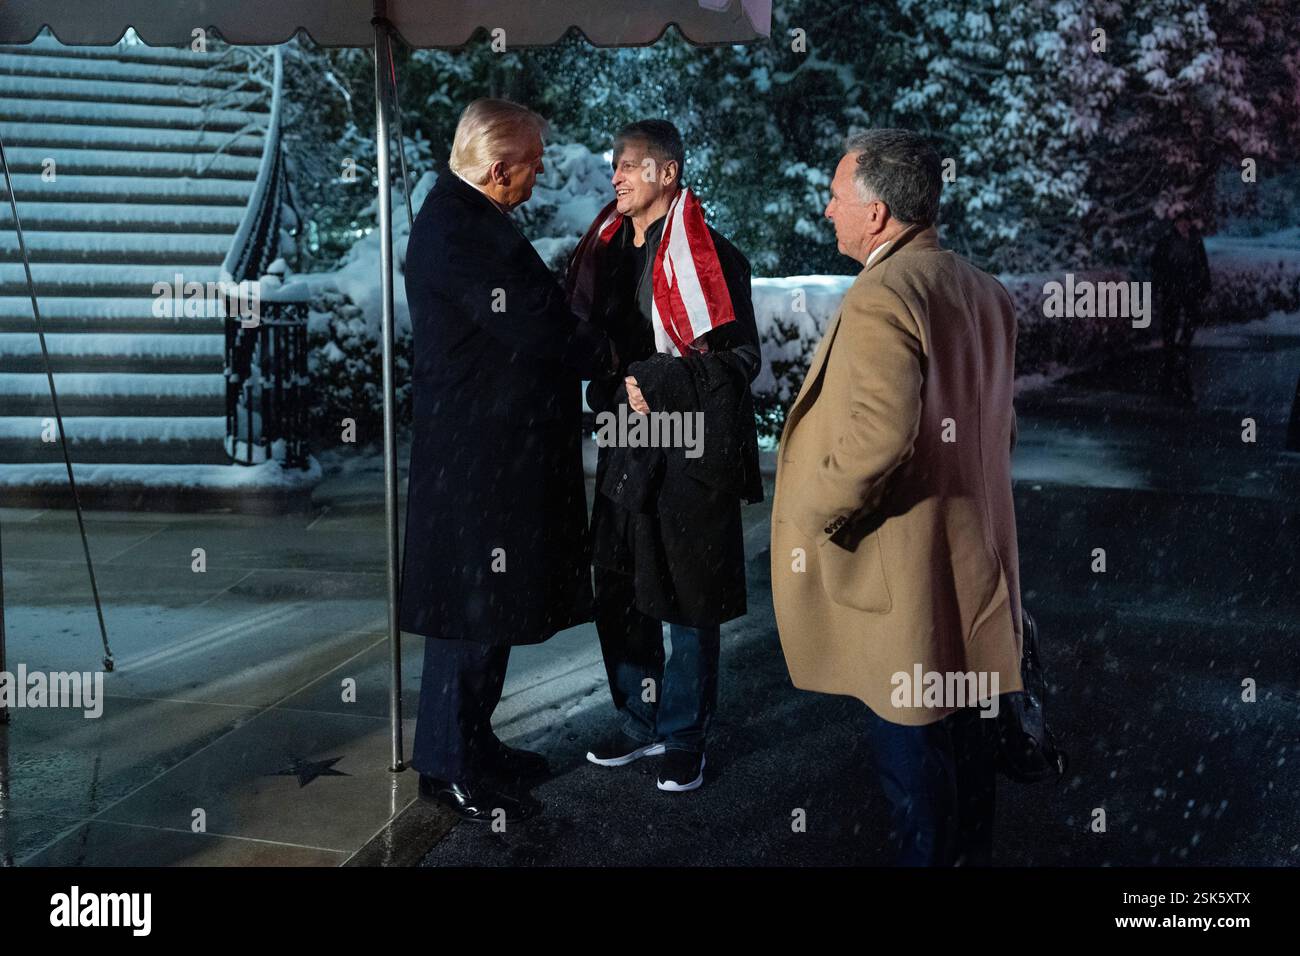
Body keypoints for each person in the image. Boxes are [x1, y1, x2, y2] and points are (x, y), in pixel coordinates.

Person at [770, 129, 1024, 865]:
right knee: (968, 758)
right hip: (974, 563)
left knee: (914, 772)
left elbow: (880, 438)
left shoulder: (884, 293)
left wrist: (815, 513)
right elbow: (998, 428)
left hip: (904, 574)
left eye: (836, 197)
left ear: (877, 214)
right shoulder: (982, 289)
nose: (827, 211)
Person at [399, 99, 617, 823]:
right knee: (471, 612)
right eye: (532, 163)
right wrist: (617, 356)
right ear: (498, 170)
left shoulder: (465, 218)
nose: (541, 172)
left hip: (485, 451)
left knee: (485, 609)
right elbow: (536, 325)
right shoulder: (461, 232)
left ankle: (471, 743)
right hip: (478, 459)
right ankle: (450, 765)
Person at [568, 120, 763, 793]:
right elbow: (598, 348)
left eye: (628, 165)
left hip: (686, 450)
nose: (616, 176)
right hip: (627, 447)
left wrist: (661, 381)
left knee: (685, 596)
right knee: (620, 588)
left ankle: (683, 733)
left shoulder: (713, 259)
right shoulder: (608, 256)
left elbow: (741, 360)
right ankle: (638, 721)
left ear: (668, 174)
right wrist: (603, 381)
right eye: (614, 164)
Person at [1150, 215, 1211, 404]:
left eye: (1186, 221)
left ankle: (1181, 347)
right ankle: (1171, 352)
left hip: (1190, 287)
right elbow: (1157, 264)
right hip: (1172, 287)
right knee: (1171, 320)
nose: (1184, 225)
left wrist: (1205, 285)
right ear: (1175, 224)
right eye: (1180, 222)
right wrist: (1160, 285)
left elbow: (1202, 264)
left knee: (1191, 319)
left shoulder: (1195, 240)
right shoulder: (1167, 241)